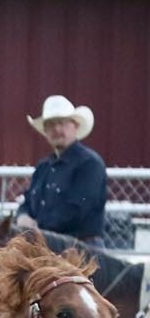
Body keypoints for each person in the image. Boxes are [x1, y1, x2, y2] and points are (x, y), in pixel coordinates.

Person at [15, 95, 107, 247]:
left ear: (75, 126)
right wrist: (22, 216)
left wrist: (36, 226)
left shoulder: (89, 164)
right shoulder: (43, 167)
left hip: (82, 250)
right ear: (45, 130)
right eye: (51, 124)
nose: (56, 129)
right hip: (45, 247)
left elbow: (76, 211)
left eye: (62, 123)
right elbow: (27, 201)